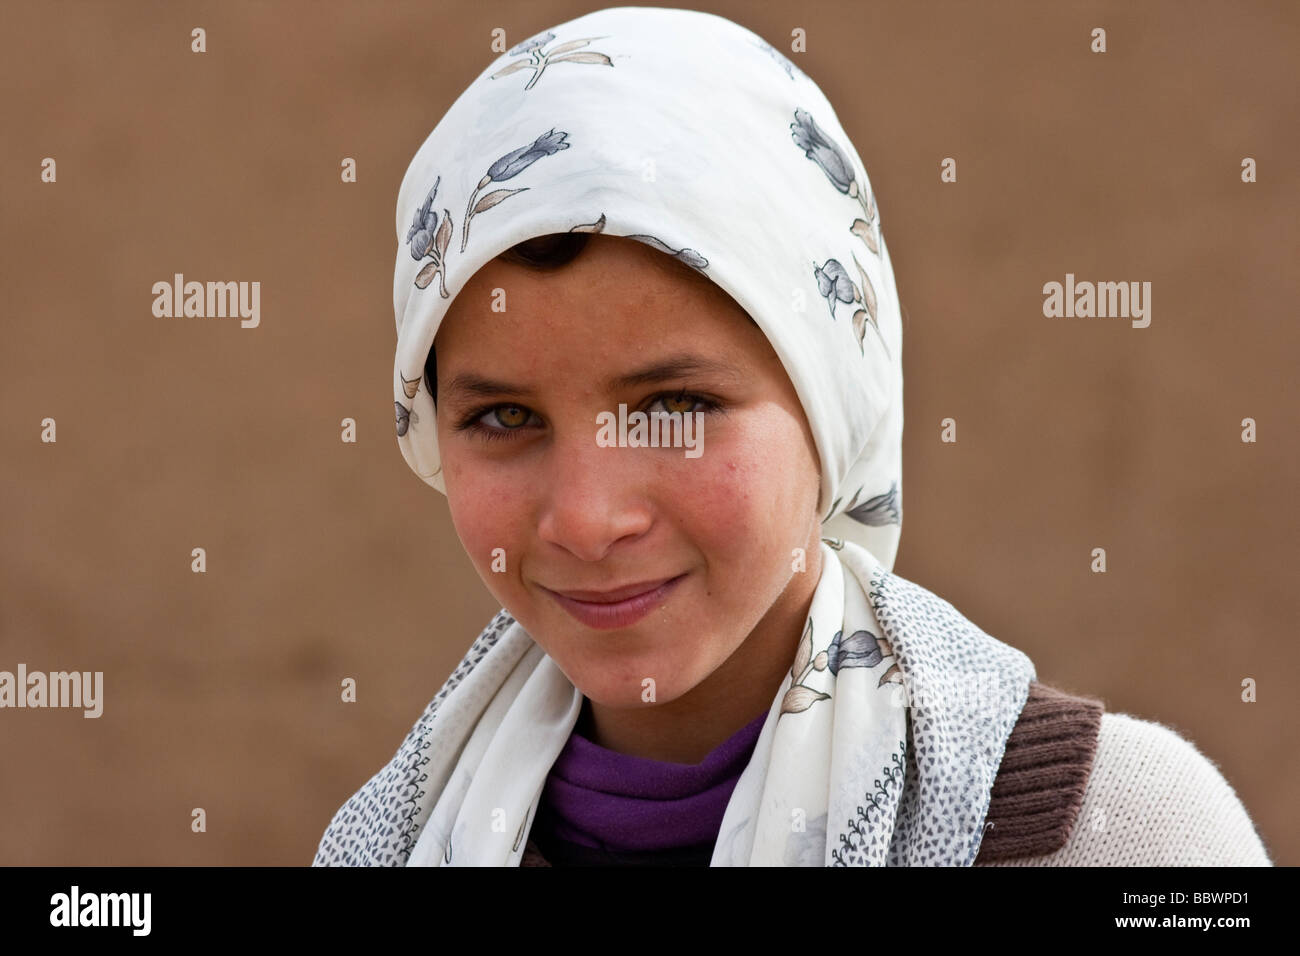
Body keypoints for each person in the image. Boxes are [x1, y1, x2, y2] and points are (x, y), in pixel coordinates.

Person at [314, 6, 1272, 866]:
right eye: (504, 418)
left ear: (831, 402)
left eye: (676, 407)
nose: (586, 518)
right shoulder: (392, 842)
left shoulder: (1120, 838)